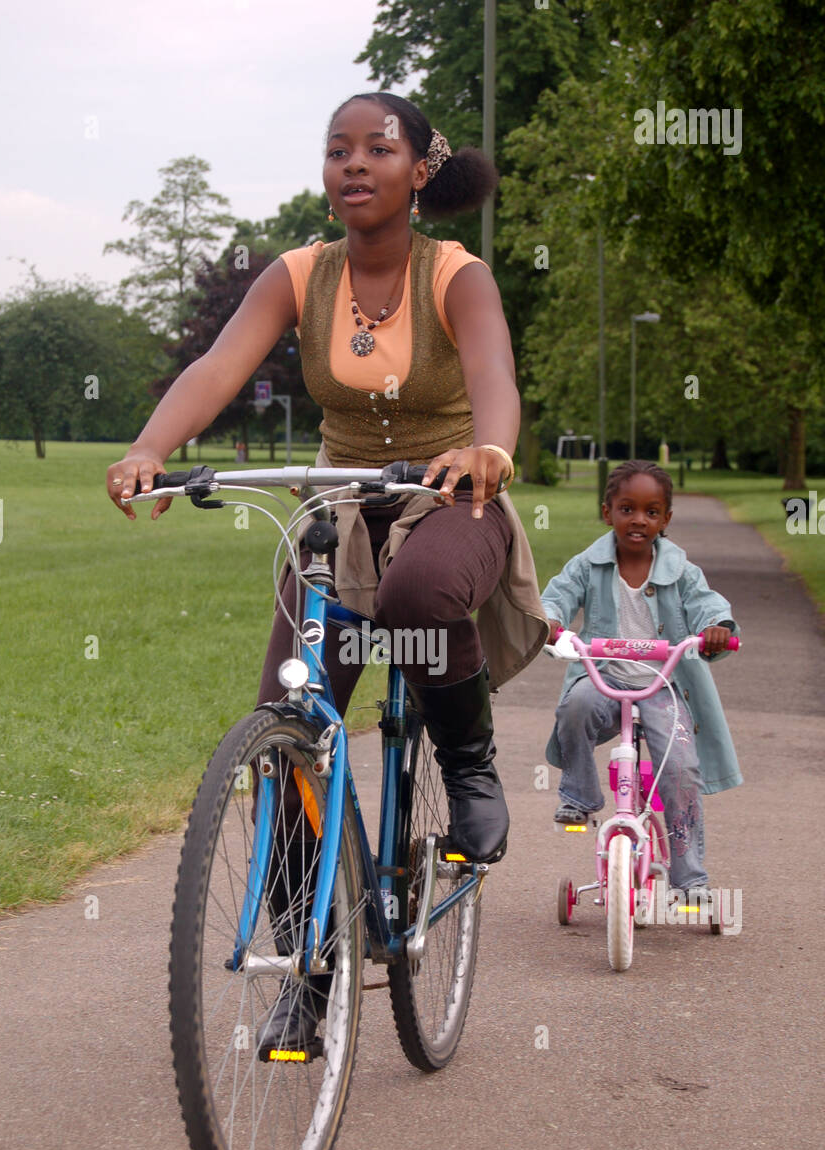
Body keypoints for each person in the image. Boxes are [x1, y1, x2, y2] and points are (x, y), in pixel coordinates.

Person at [106, 91, 550, 1043]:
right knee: (285, 736)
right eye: (336, 149)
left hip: (450, 496)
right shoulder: (298, 275)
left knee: (418, 595)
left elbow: (494, 379)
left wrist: (490, 451)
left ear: (419, 170)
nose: (353, 164)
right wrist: (150, 446)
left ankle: (469, 767)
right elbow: (218, 369)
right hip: (338, 509)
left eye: (377, 149)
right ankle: (308, 966)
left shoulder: (457, 274)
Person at [541, 460, 741, 896]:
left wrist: (715, 630)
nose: (639, 520)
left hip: (663, 686)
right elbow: (555, 598)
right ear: (607, 511)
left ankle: (690, 879)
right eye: (627, 508)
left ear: (666, 519)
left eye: (652, 512)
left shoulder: (682, 571)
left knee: (682, 769)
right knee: (574, 707)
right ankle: (579, 797)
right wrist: (553, 624)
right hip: (604, 679)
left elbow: (708, 605)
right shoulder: (587, 565)